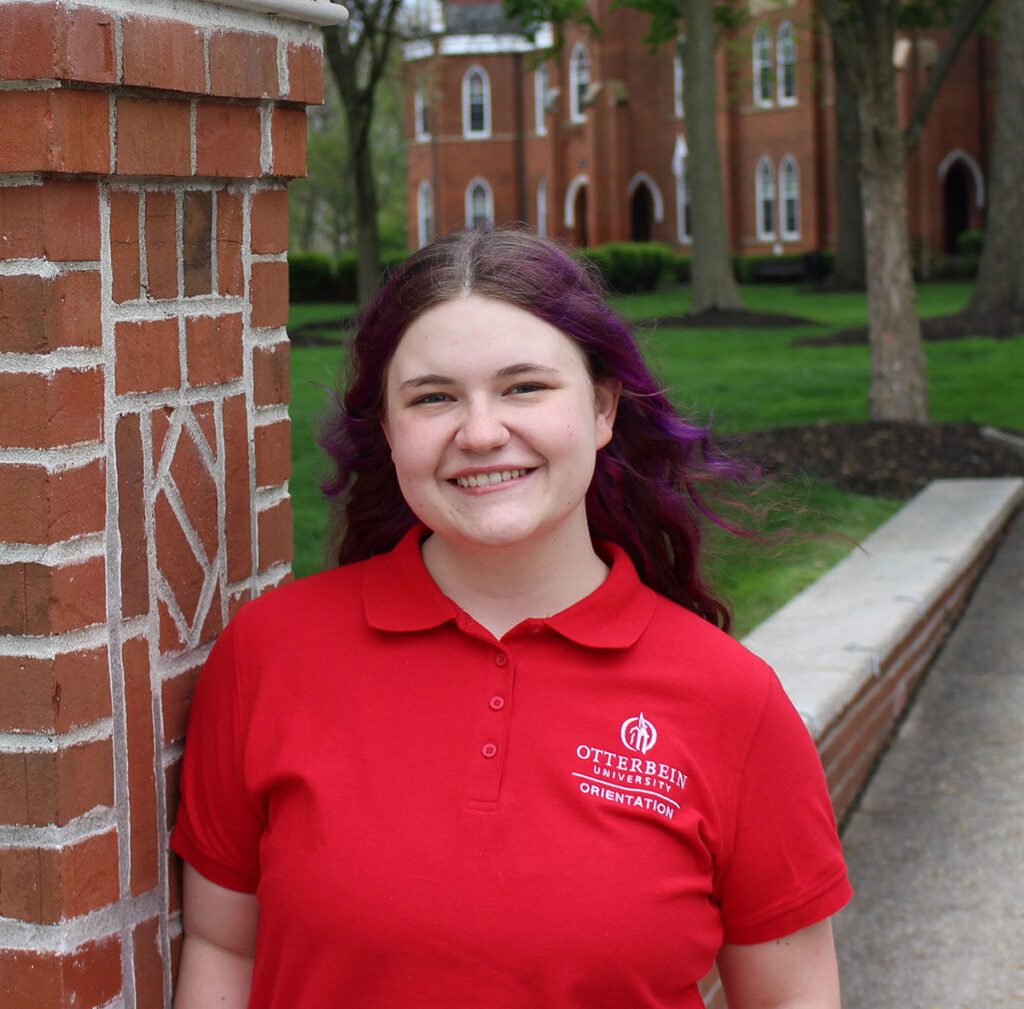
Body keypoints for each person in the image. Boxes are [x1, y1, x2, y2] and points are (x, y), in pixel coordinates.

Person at [172, 228, 851, 1008]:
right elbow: (225, 948)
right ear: (390, 431)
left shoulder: (734, 701)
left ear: (601, 409)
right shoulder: (271, 653)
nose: (482, 432)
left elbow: (793, 996)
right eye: (433, 398)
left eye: (524, 387)